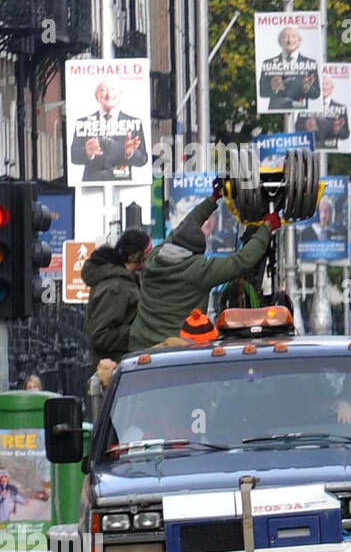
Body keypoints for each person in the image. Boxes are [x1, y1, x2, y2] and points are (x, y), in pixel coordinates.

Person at [128, 178, 279, 352]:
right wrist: (267, 228)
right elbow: (242, 260)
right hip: (175, 350)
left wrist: (212, 199)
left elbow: (185, 226)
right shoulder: (198, 271)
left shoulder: (154, 258)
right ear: (195, 253)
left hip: (139, 349)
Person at [84, 227, 152, 365]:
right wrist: (138, 330)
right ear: (134, 256)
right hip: (117, 366)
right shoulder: (115, 287)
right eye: (147, 255)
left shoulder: (126, 280)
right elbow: (100, 336)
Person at [68, 78, 149, 183]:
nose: (109, 94)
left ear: (120, 95)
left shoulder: (134, 122)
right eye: (103, 90)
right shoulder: (83, 123)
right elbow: (73, 156)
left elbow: (143, 159)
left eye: (113, 90)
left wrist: (130, 153)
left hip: (121, 185)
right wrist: (87, 152)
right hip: (91, 186)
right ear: (96, 96)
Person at [258, 25, 319, 110]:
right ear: (280, 41)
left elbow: (316, 94)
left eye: (293, 36)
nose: (290, 40)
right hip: (277, 111)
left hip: (299, 110)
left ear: (299, 41)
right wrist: (272, 87)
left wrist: (307, 88)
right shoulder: (268, 63)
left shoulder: (310, 63)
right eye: (285, 37)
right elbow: (261, 92)